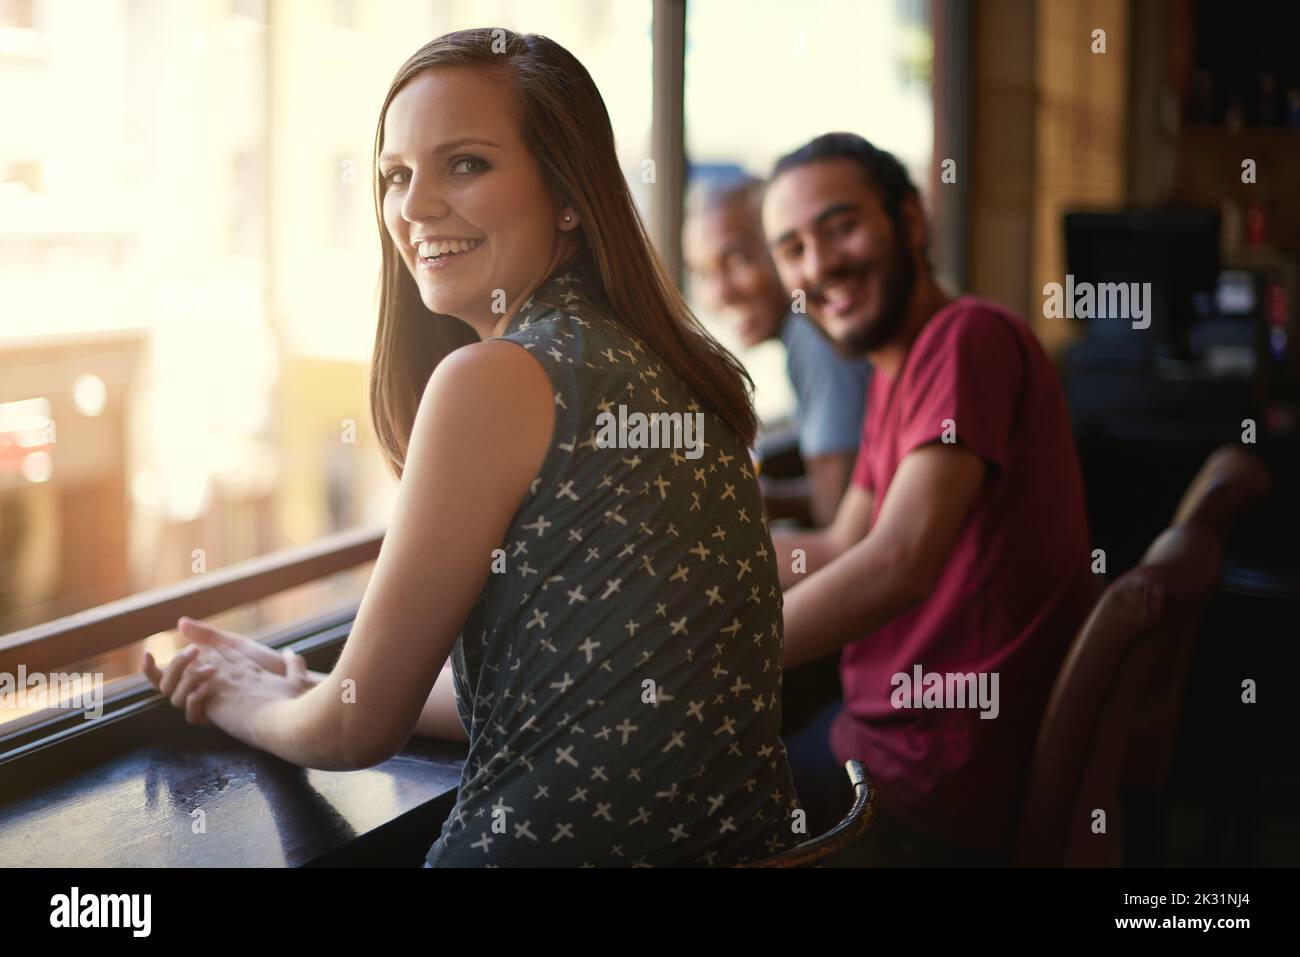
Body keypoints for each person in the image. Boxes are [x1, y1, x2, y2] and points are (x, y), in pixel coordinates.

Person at [143, 27, 800, 868]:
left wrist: (232, 695)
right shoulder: (655, 362)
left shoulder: (497, 378)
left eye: (465, 164)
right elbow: (559, 688)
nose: (413, 207)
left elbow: (355, 728)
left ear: (568, 192)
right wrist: (306, 683)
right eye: (395, 175)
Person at [763, 133, 1097, 864]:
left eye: (841, 226)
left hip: (927, 779)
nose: (818, 265)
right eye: (792, 248)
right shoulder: (896, 369)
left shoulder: (966, 338)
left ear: (909, 222)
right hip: (888, 741)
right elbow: (842, 545)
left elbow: (897, 562)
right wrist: (696, 543)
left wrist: (714, 654)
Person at [684, 175, 871, 528]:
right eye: (704, 274)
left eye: (738, 260)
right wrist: (765, 499)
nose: (720, 293)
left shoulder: (815, 336)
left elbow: (837, 521)